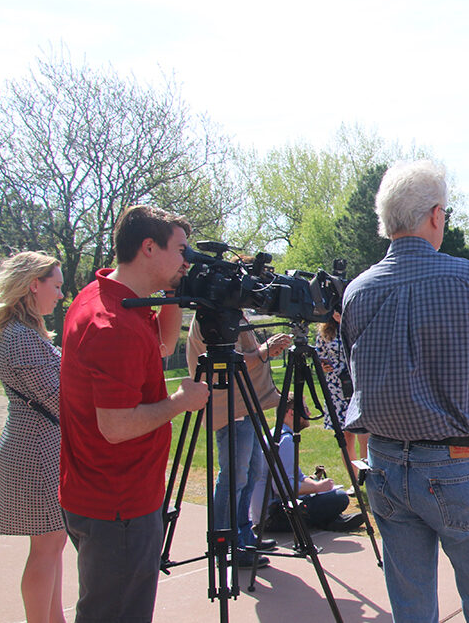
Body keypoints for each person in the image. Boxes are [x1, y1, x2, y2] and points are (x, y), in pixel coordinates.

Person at [341, 160, 469, 622]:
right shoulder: (468, 277)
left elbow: (360, 372)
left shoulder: (357, 291)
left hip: (384, 462)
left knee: (411, 607)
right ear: (435, 215)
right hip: (455, 463)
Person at [60, 204, 210, 622]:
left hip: (104, 496)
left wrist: (174, 295)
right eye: (181, 250)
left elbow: (162, 346)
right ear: (149, 247)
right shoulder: (113, 325)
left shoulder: (113, 299)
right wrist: (180, 402)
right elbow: (116, 425)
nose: (187, 260)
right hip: (118, 504)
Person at [0, 252, 67, 623]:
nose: (61, 295)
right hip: (36, 451)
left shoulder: (24, 333)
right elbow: (58, 398)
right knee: (47, 545)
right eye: (57, 286)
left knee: (53, 541)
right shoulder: (19, 337)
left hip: (39, 446)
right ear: (34, 285)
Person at [186, 298, 292, 569]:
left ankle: (243, 536)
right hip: (232, 410)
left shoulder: (232, 313)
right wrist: (265, 350)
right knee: (234, 477)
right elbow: (229, 363)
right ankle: (226, 543)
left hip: (247, 406)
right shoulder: (212, 318)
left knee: (251, 473)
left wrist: (266, 351)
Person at [258, 405, 363, 532]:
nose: (309, 413)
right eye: (305, 409)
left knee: (329, 494)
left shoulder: (279, 434)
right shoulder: (285, 440)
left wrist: (315, 484)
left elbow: (299, 477)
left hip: (271, 511)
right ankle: (330, 521)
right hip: (273, 516)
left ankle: (332, 520)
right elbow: (285, 488)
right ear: (291, 413)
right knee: (340, 498)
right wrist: (317, 487)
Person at [316, 309, 365, 487]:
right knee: (345, 438)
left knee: (365, 435)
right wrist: (322, 365)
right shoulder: (325, 331)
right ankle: (355, 481)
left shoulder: (357, 324)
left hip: (358, 383)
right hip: (336, 387)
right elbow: (318, 354)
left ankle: (368, 479)